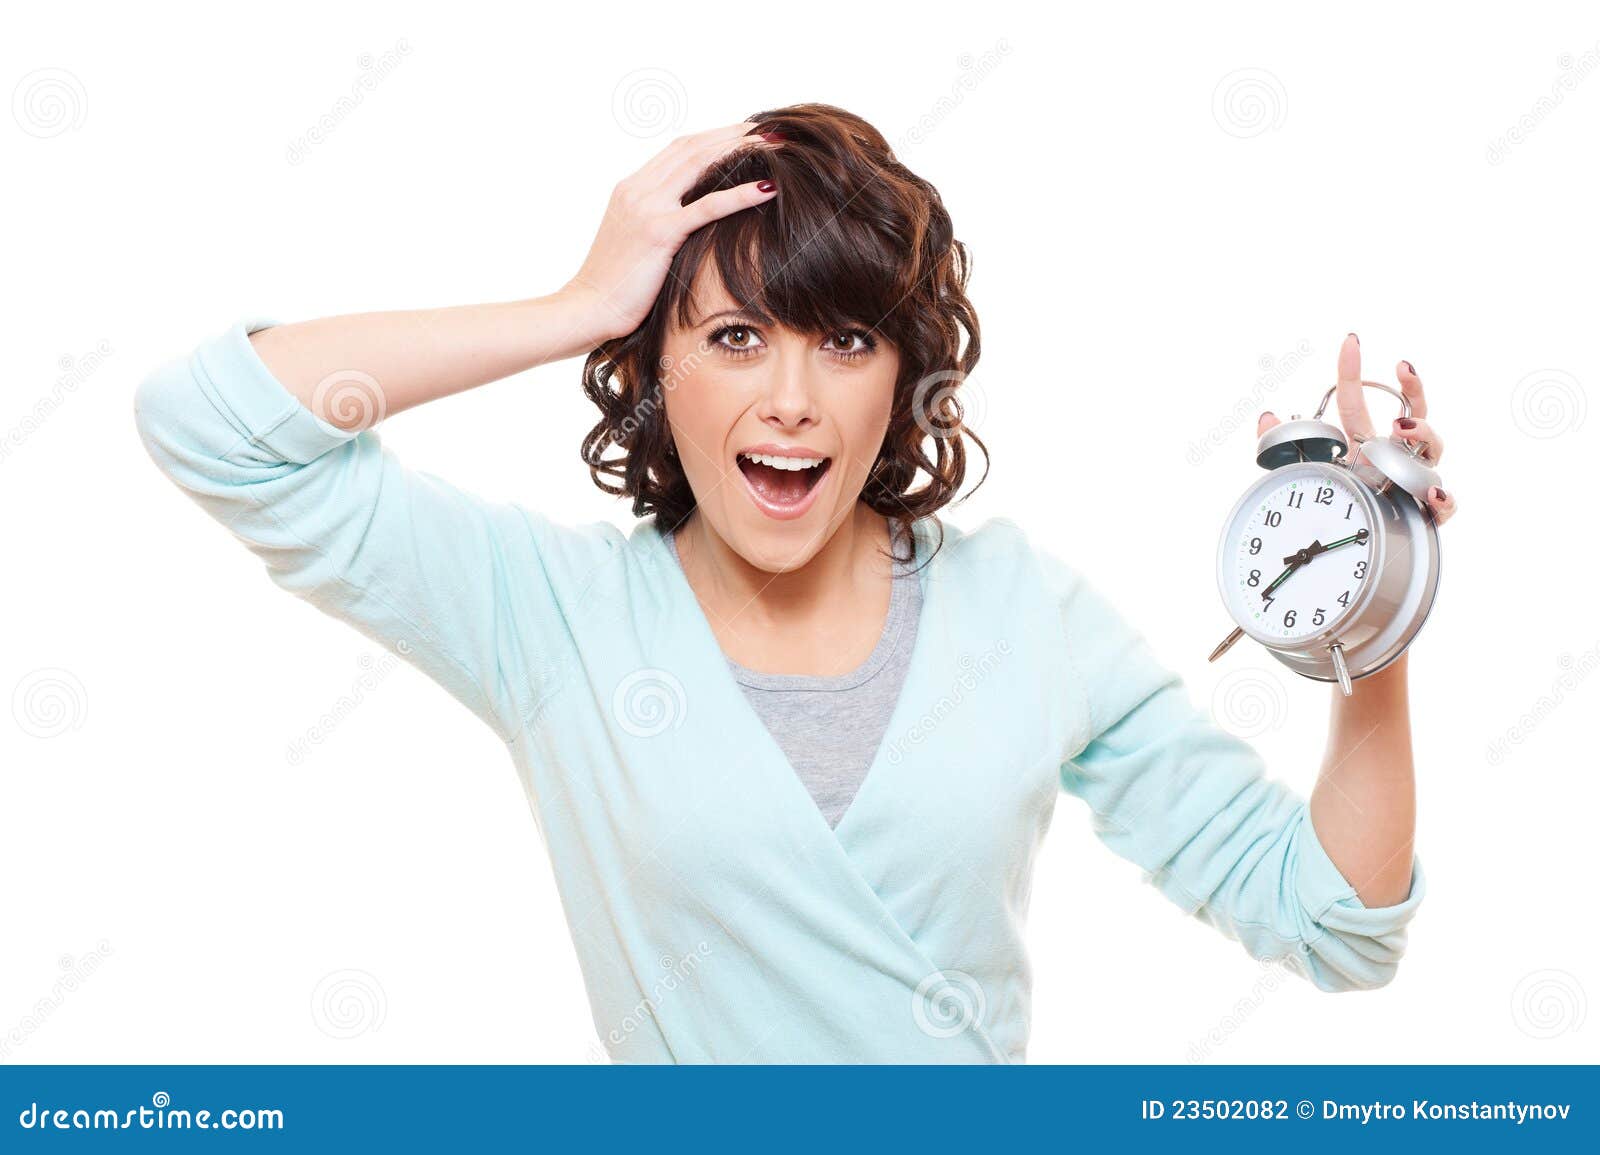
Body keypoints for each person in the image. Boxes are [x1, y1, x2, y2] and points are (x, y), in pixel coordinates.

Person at [132, 102, 1455, 1063]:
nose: (789, 400)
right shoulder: (552, 615)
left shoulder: (1025, 617)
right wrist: (579, 303)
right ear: (656, 367)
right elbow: (215, 423)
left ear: (903, 373)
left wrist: (1368, 597)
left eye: (845, 338)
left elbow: (1336, 923)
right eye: (732, 335)